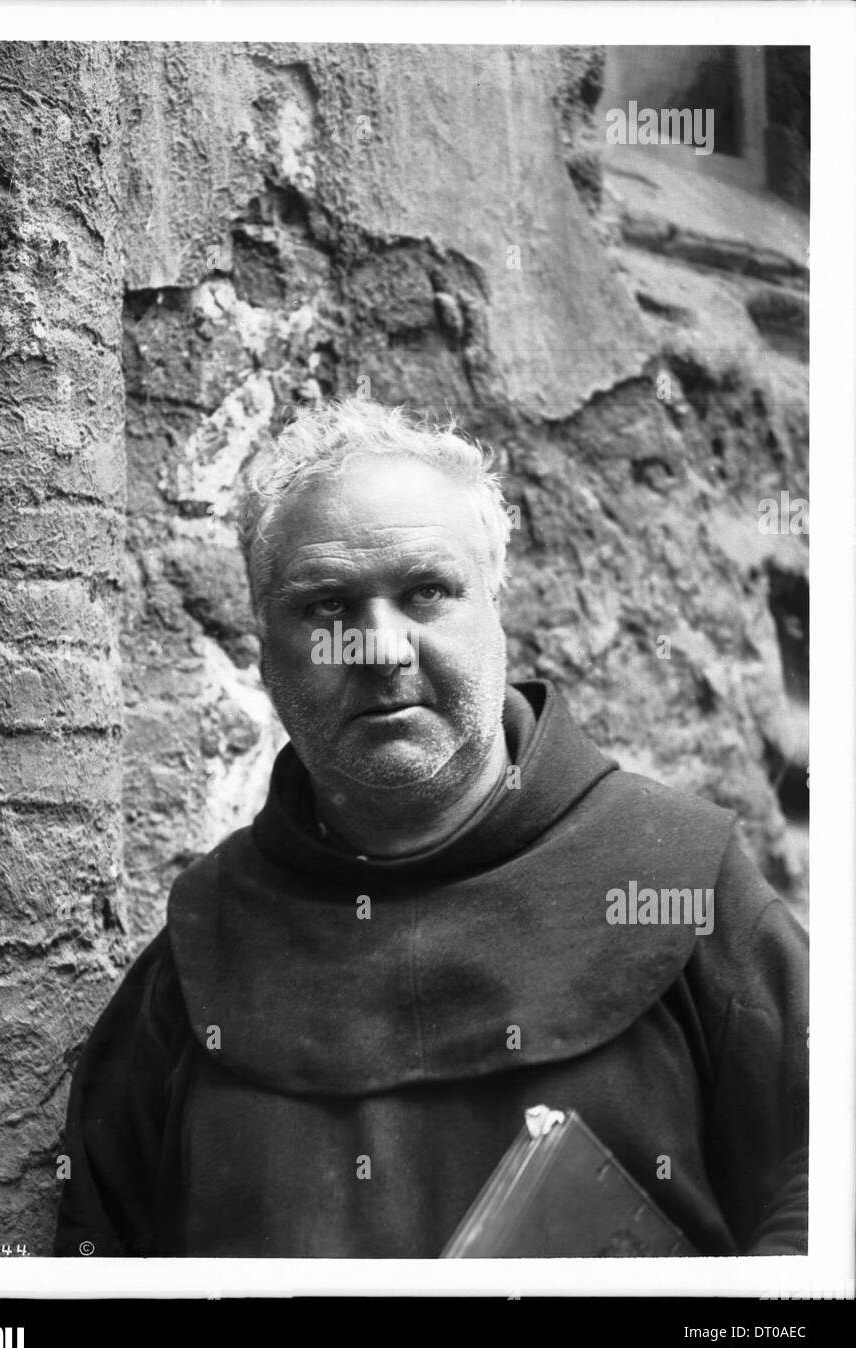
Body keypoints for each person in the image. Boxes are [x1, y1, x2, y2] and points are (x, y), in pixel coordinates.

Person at [54, 398, 808, 1258]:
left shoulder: (677, 881)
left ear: (496, 610)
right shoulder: (200, 954)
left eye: (426, 592)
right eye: (327, 607)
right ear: (267, 653)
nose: (379, 649)